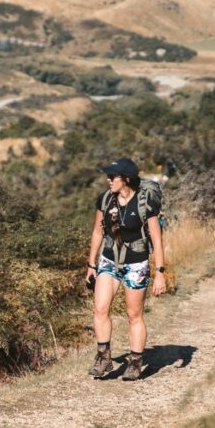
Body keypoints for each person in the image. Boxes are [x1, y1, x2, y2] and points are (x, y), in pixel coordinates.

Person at [85, 158, 167, 380]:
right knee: (100, 309)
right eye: (108, 176)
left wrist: (160, 272)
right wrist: (91, 264)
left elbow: (157, 241)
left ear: (126, 179)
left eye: (113, 176)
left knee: (134, 315)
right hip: (109, 260)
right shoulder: (105, 200)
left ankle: (135, 362)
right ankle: (104, 358)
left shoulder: (144, 202)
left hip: (136, 263)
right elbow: (97, 232)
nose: (108, 179)